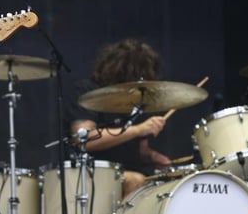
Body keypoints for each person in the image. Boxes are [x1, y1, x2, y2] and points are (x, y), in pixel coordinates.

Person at [66, 38, 170, 198]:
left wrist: (153, 156)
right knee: (135, 179)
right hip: (91, 173)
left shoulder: (137, 102)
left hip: (127, 171)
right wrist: (138, 130)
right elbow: (84, 140)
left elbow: (141, 151)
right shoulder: (88, 92)